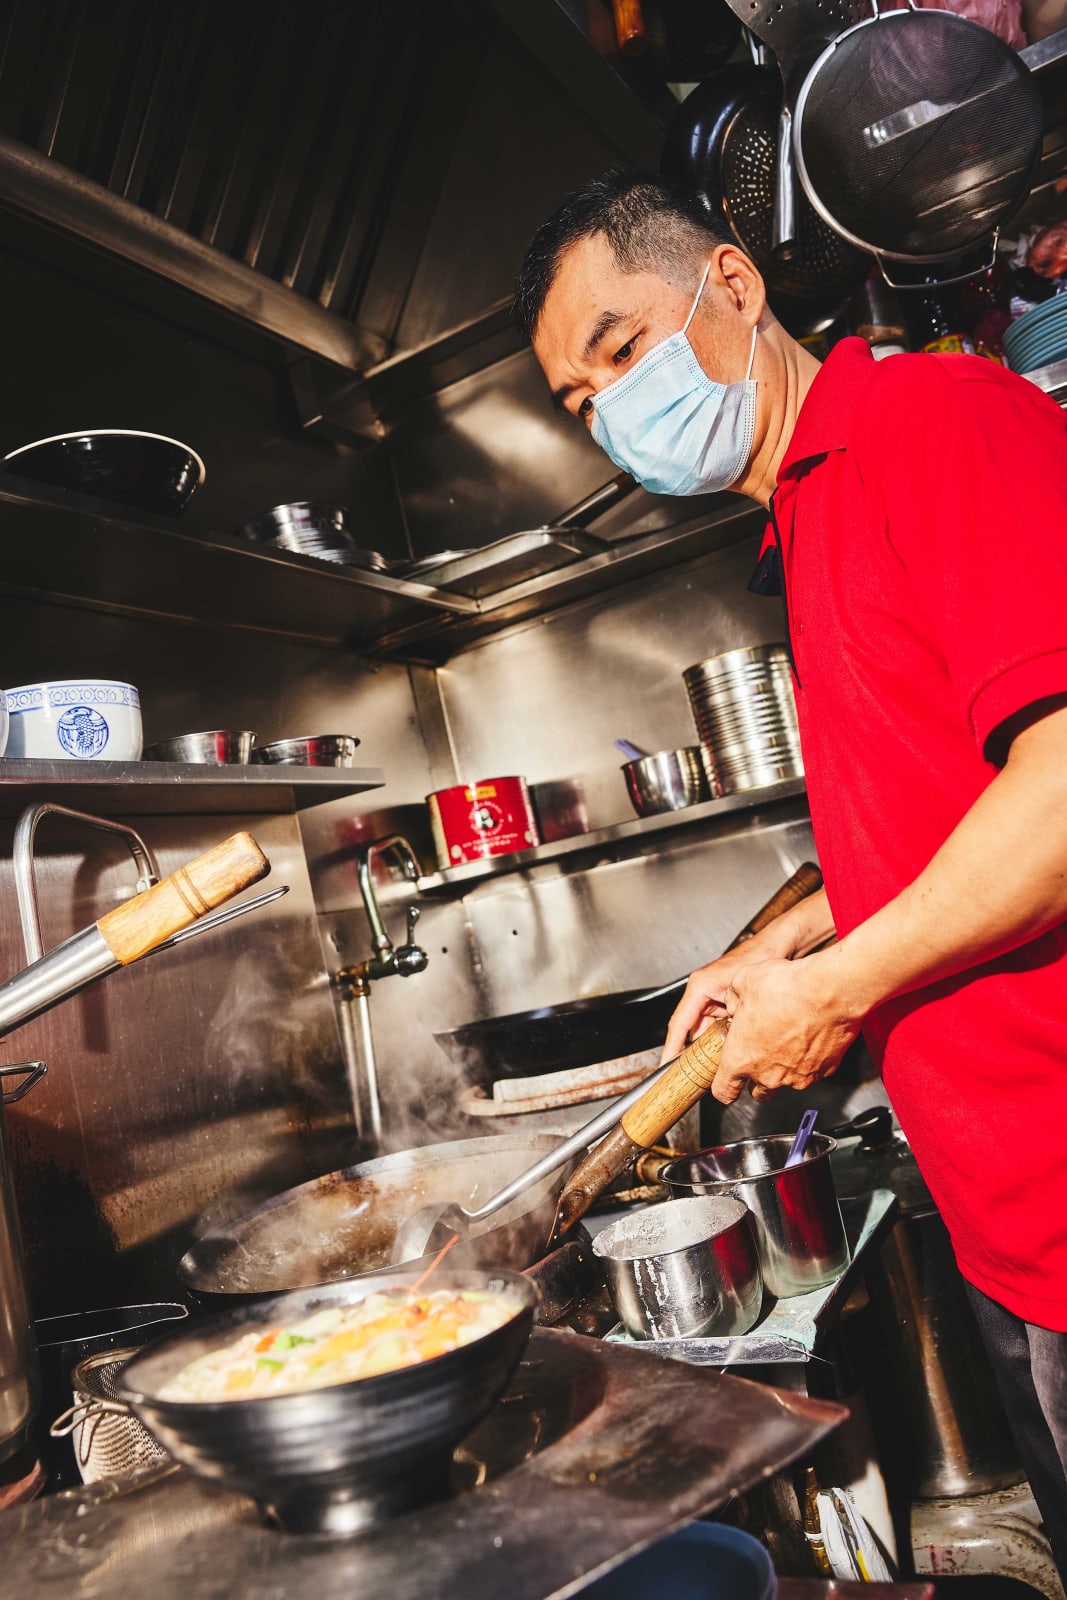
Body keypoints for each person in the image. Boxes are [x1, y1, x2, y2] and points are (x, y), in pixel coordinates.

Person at [515, 171, 1067, 1577]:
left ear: (735, 288)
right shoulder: (804, 524)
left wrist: (838, 992)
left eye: (621, 348)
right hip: (1010, 1213)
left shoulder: (934, 423)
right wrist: (788, 943)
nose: (610, 413)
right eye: (581, 402)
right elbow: (950, 805)